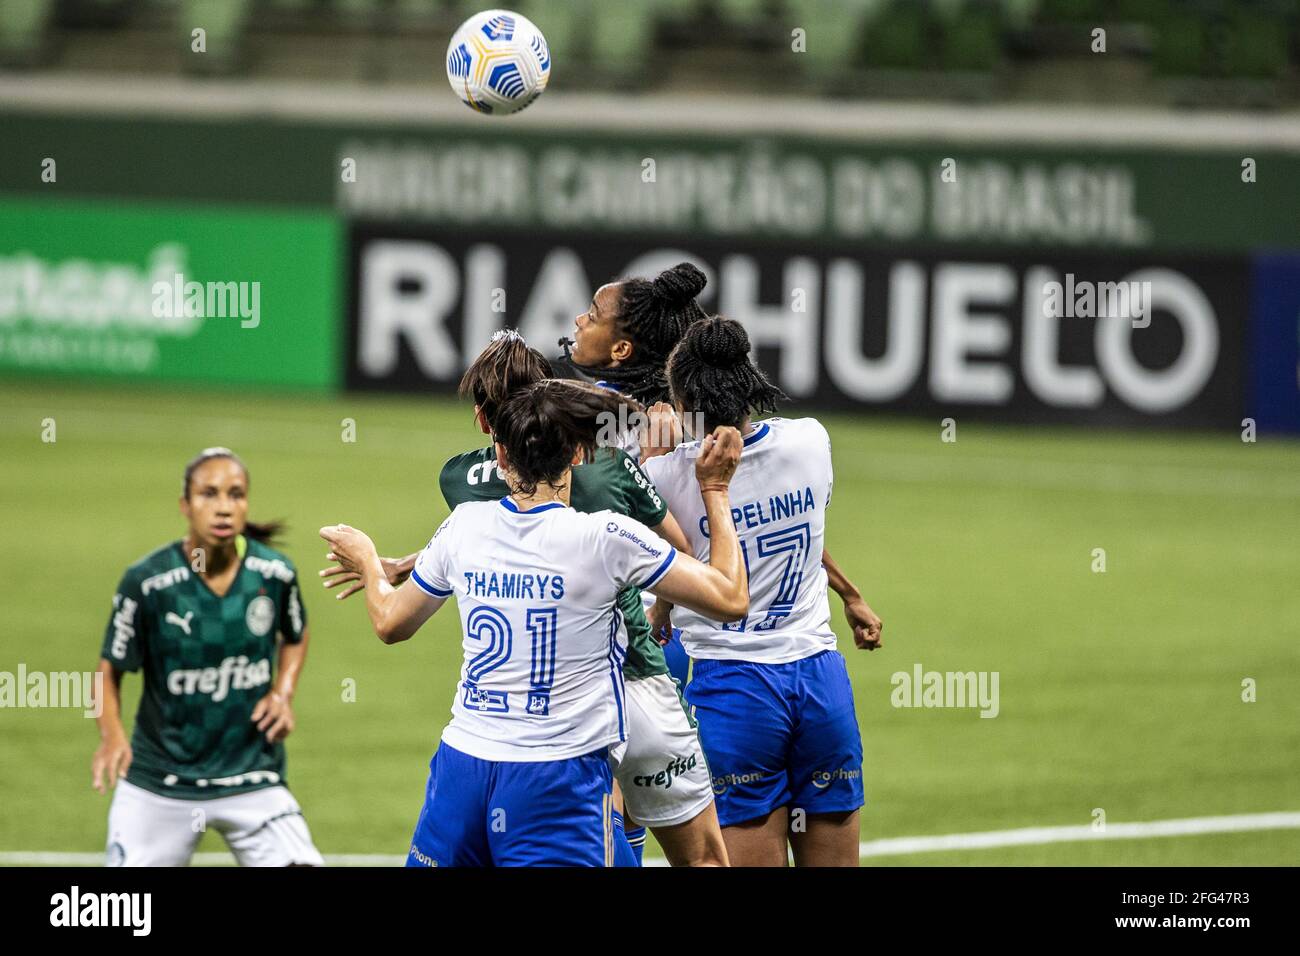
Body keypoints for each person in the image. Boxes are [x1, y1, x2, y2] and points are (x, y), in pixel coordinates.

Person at [322, 334, 729, 866]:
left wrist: (406, 563)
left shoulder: (460, 489)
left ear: (488, 427)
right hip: (631, 678)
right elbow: (683, 557)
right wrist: (663, 604)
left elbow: (508, 529)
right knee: (698, 856)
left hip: (513, 718)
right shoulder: (609, 471)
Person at [641, 317, 884, 867]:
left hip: (733, 691)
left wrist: (654, 457)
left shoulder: (667, 479)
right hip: (820, 683)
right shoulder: (811, 443)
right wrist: (849, 593)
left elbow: (655, 556)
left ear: (682, 403)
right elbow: (790, 527)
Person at [93, 448, 322, 867]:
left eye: (236, 495)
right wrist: (111, 735)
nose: (223, 507)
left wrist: (283, 692)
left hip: (252, 777)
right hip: (160, 783)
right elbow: (110, 669)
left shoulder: (275, 574)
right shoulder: (149, 583)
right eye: (208, 494)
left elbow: (295, 633)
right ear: (185, 505)